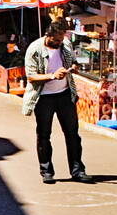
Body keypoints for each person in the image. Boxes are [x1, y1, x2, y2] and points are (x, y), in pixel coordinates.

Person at [22, 18, 92, 184]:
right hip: (43, 97)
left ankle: (78, 170)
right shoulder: (34, 49)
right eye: (56, 40)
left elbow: (72, 60)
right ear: (48, 35)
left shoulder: (65, 44)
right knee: (44, 134)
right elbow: (31, 77)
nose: (59, 42)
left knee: (73, 134)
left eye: (62, 39)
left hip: (64, 94)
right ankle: (46, 171)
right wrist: (52, 76)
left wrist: (74, 66)